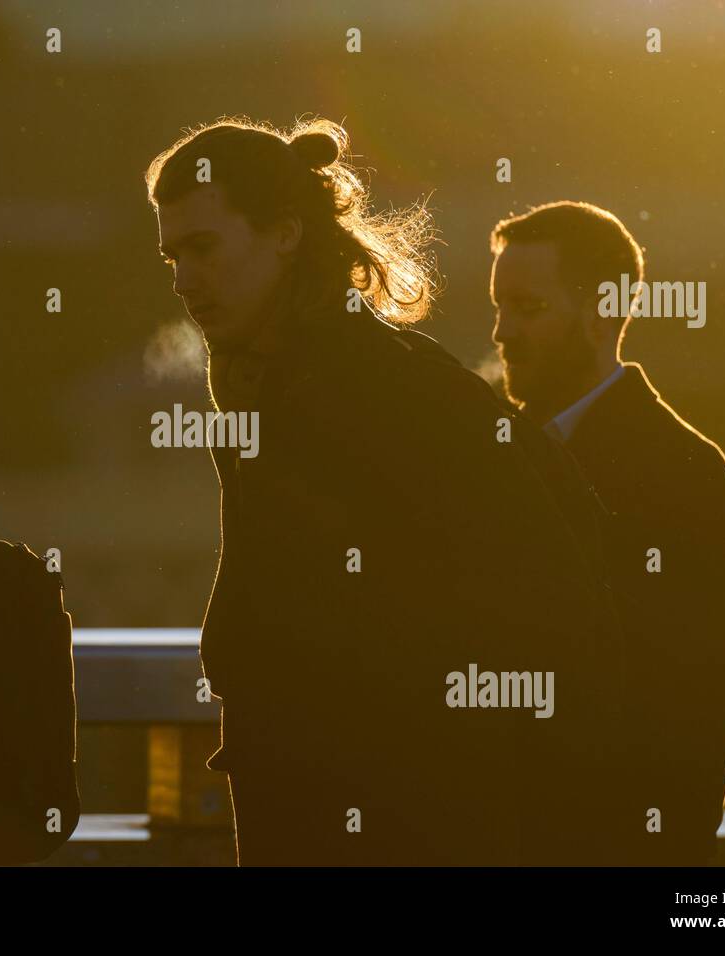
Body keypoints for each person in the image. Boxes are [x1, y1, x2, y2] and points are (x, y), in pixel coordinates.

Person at [145, 118, 627, 865]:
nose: (182, 279)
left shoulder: (378, 385)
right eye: (173, 255)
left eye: (202, 247)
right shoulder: (266, 387)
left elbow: (552, 583)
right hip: (309, 788)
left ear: (283, 234)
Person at [489, 200, 725, 864]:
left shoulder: (684, 469)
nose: (502, 331)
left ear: (603, 310)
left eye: (528, 308)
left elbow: (699, 696)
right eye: (499, 308)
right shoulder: (499, 449)